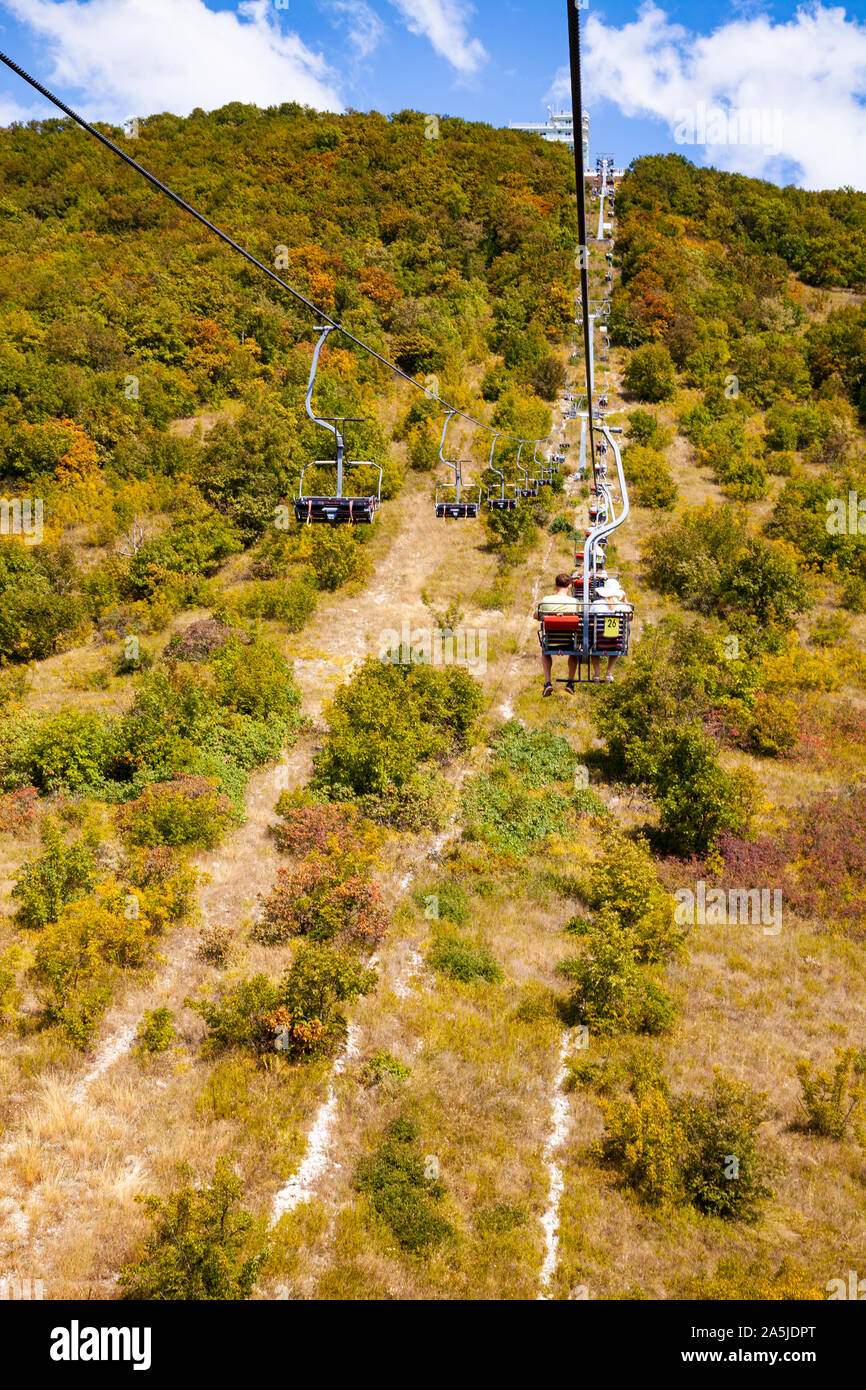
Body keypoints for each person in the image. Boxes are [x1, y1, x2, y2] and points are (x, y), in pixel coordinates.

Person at [536, 572, 580, 696]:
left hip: (551, 642)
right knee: (574, 653)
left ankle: (548, 682)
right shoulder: (575, 603)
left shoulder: (545, 601)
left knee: (545, 652)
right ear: (570, 586)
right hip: (569, 642)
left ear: (556, 586)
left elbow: (537, 616)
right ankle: (570, 683)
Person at [589, 577, 632, 682]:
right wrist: (625, 600)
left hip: (598, 642)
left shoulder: (596, 604)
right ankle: (608, 673)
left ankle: (597, 673)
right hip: (615, 643)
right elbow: (630, 617)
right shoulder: (622, 606)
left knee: (592, 640)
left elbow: (590, 619)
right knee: (619, 637)